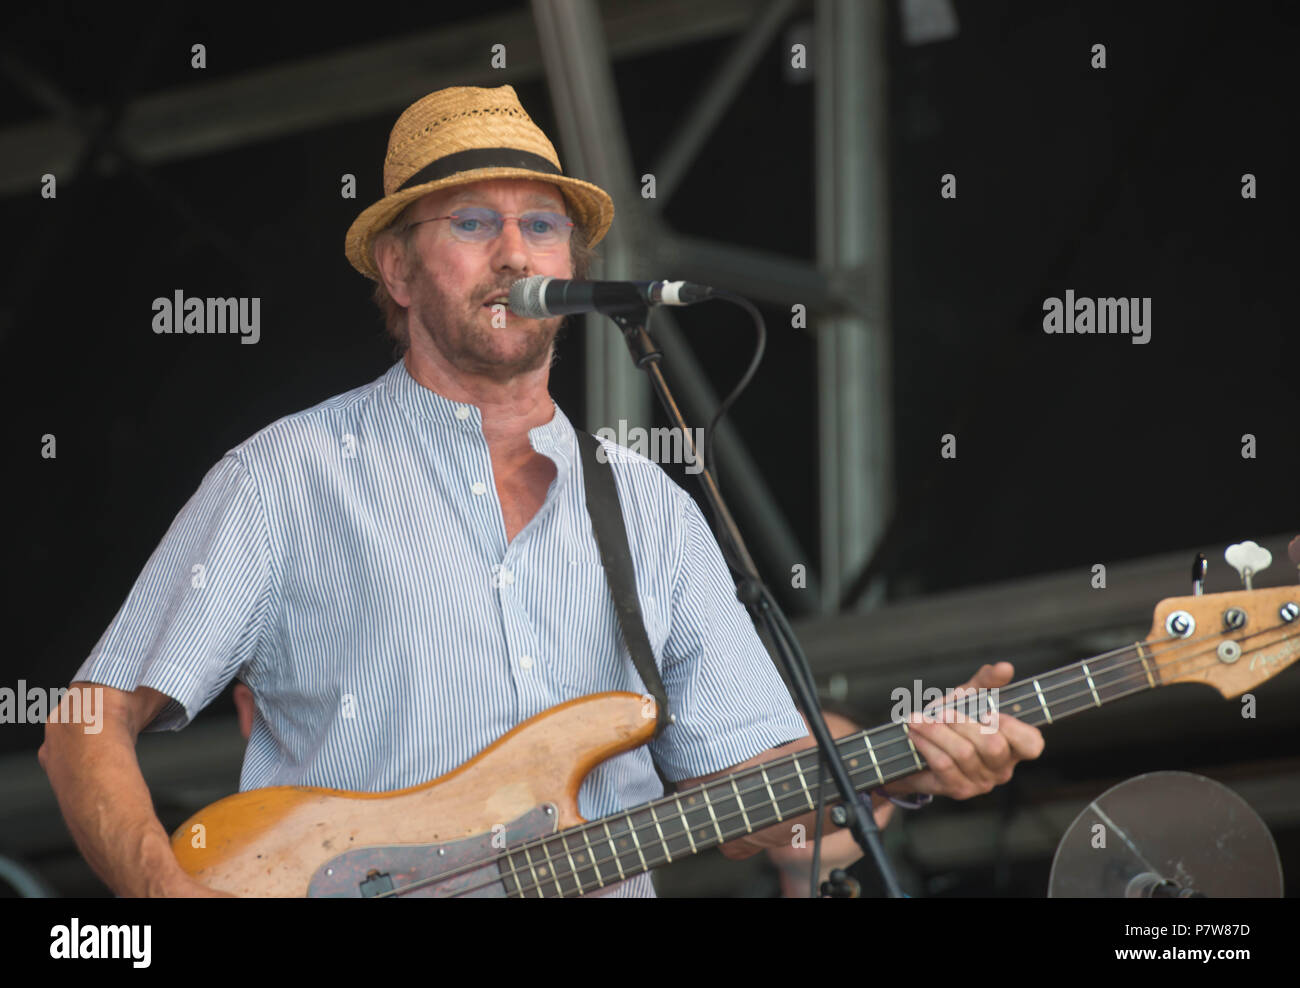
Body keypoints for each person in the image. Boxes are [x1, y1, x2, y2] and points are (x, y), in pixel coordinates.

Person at [39, 85, 1044, 898]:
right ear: (397, 267)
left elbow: (762, 800)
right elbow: (85, 721)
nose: (515, 252)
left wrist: (902, 764)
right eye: (473, 222)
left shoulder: (648, 508)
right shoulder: (286, 477)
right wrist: (167, 896)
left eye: (542, 226)